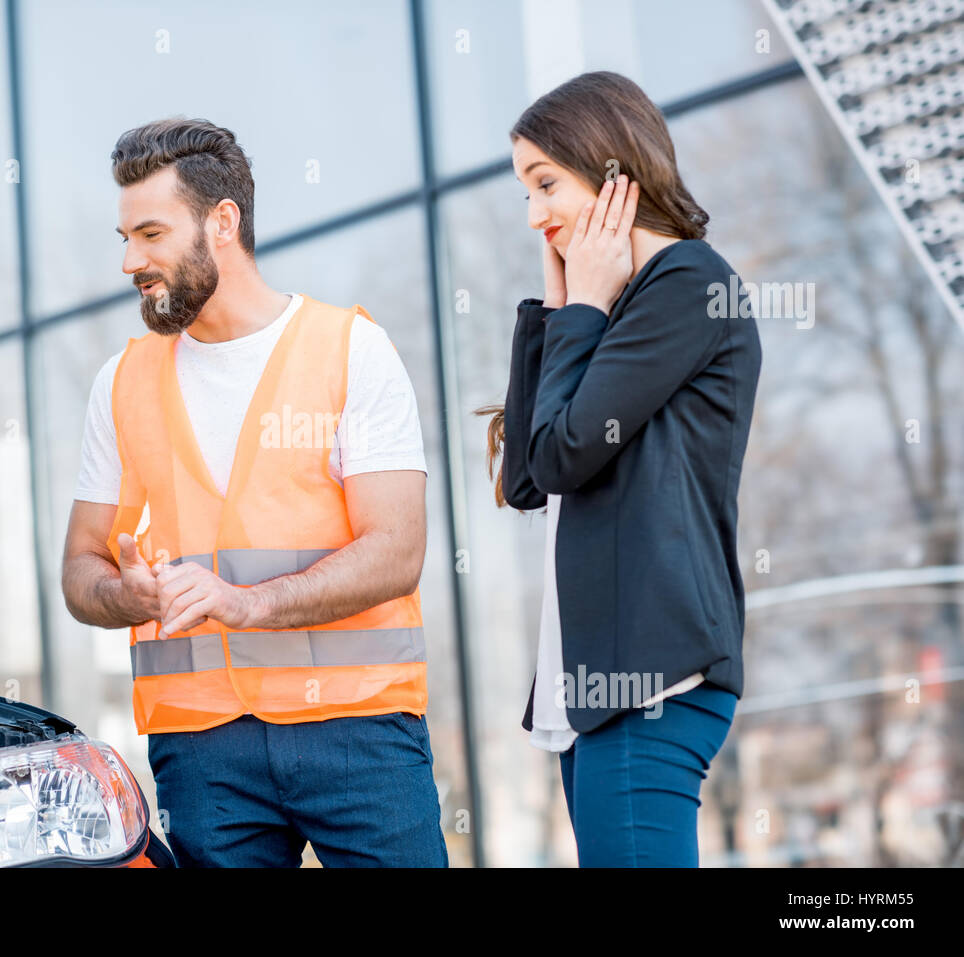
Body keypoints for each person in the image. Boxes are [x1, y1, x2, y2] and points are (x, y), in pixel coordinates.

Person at [61, 116, 447, 868]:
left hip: (358, 729)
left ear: (223, 222)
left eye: (150, 234)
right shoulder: (120, 382)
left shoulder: (349, 350)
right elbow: (80, 571)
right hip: (202, 751)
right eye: (124, 238)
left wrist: (249, 605)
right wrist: (129, 594)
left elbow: (397, 551)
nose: (130, 261)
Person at [477, 71, 762, 867]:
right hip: (597, 689)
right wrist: (557, 306)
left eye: (545, 184)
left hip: (651, 682)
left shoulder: (690, 284)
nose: (535, 216)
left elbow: (566, 451)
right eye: (523, 193)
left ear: (611, 173)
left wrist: (583, 311)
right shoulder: (621, 301)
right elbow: (530, 479)